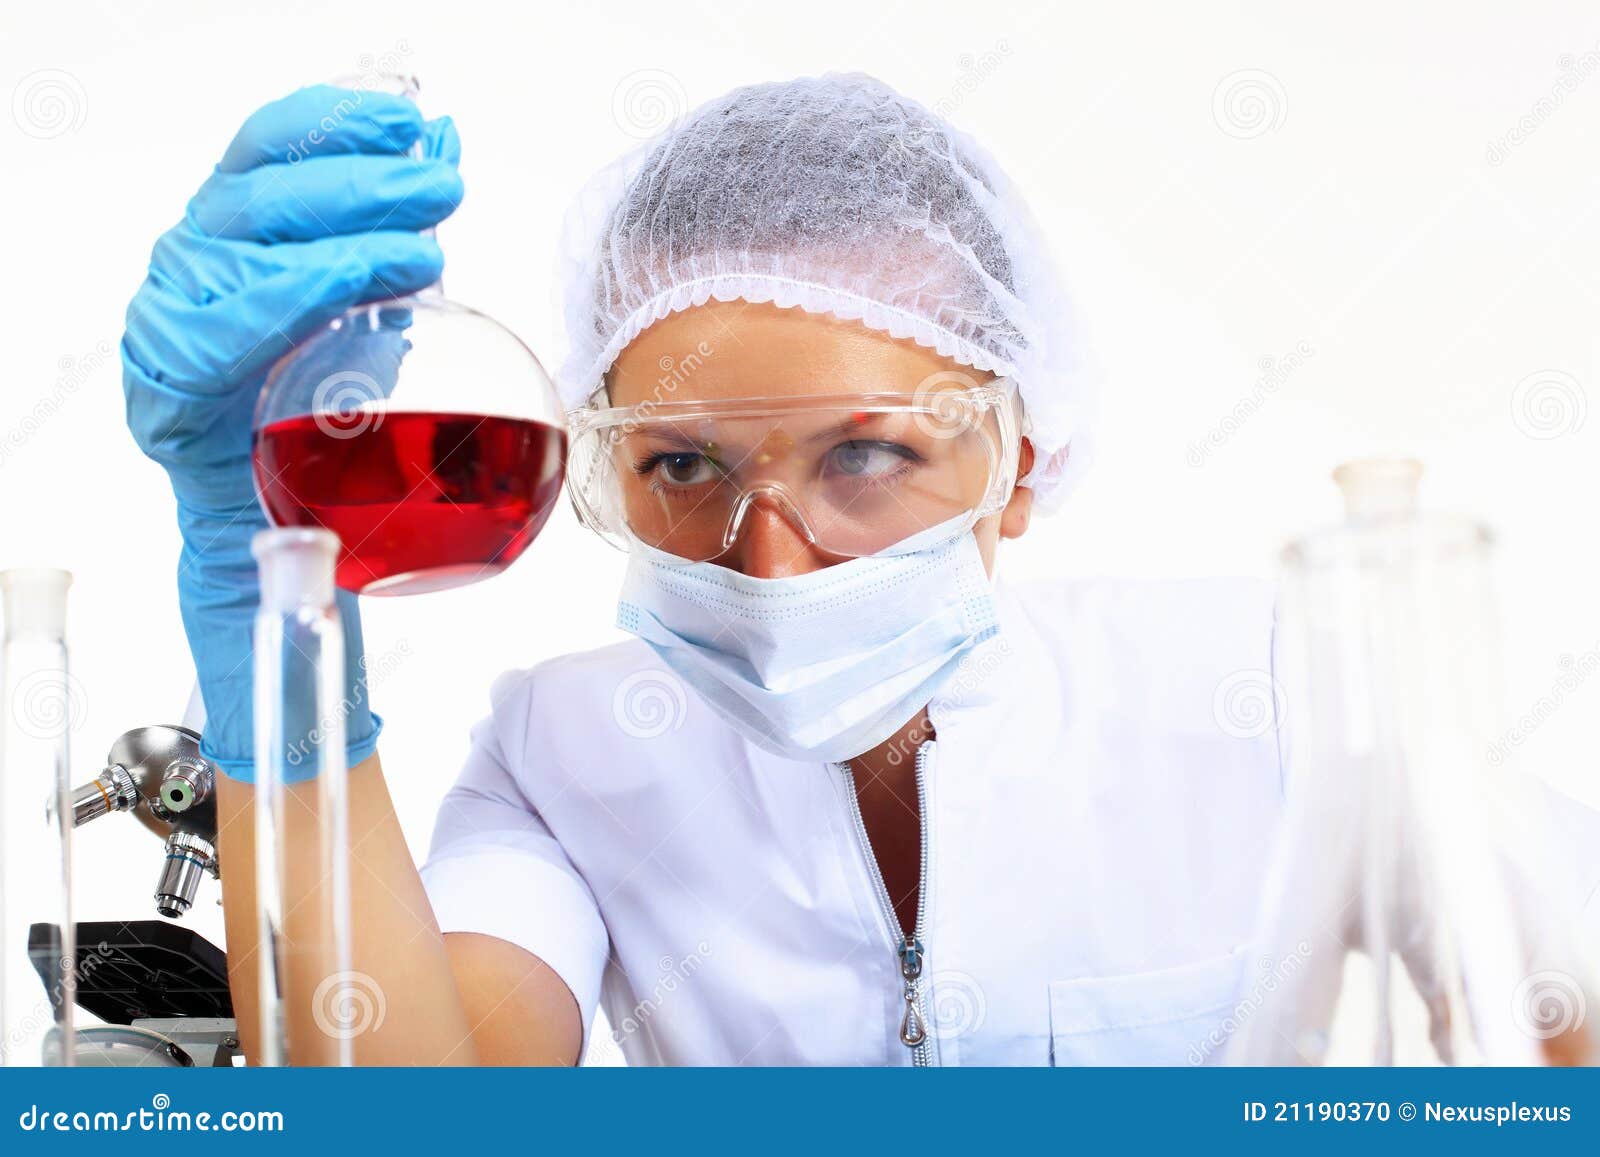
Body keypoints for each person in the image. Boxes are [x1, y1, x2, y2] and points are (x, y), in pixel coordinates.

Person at [121, 75, 1598, 1067]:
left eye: (869, 455)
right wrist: (276, 610)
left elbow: (1565, 1016)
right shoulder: (562, 755)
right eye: (682, 467)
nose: (771, 557)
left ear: (1022, 462)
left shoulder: (1271, 685)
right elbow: (412, 1107)